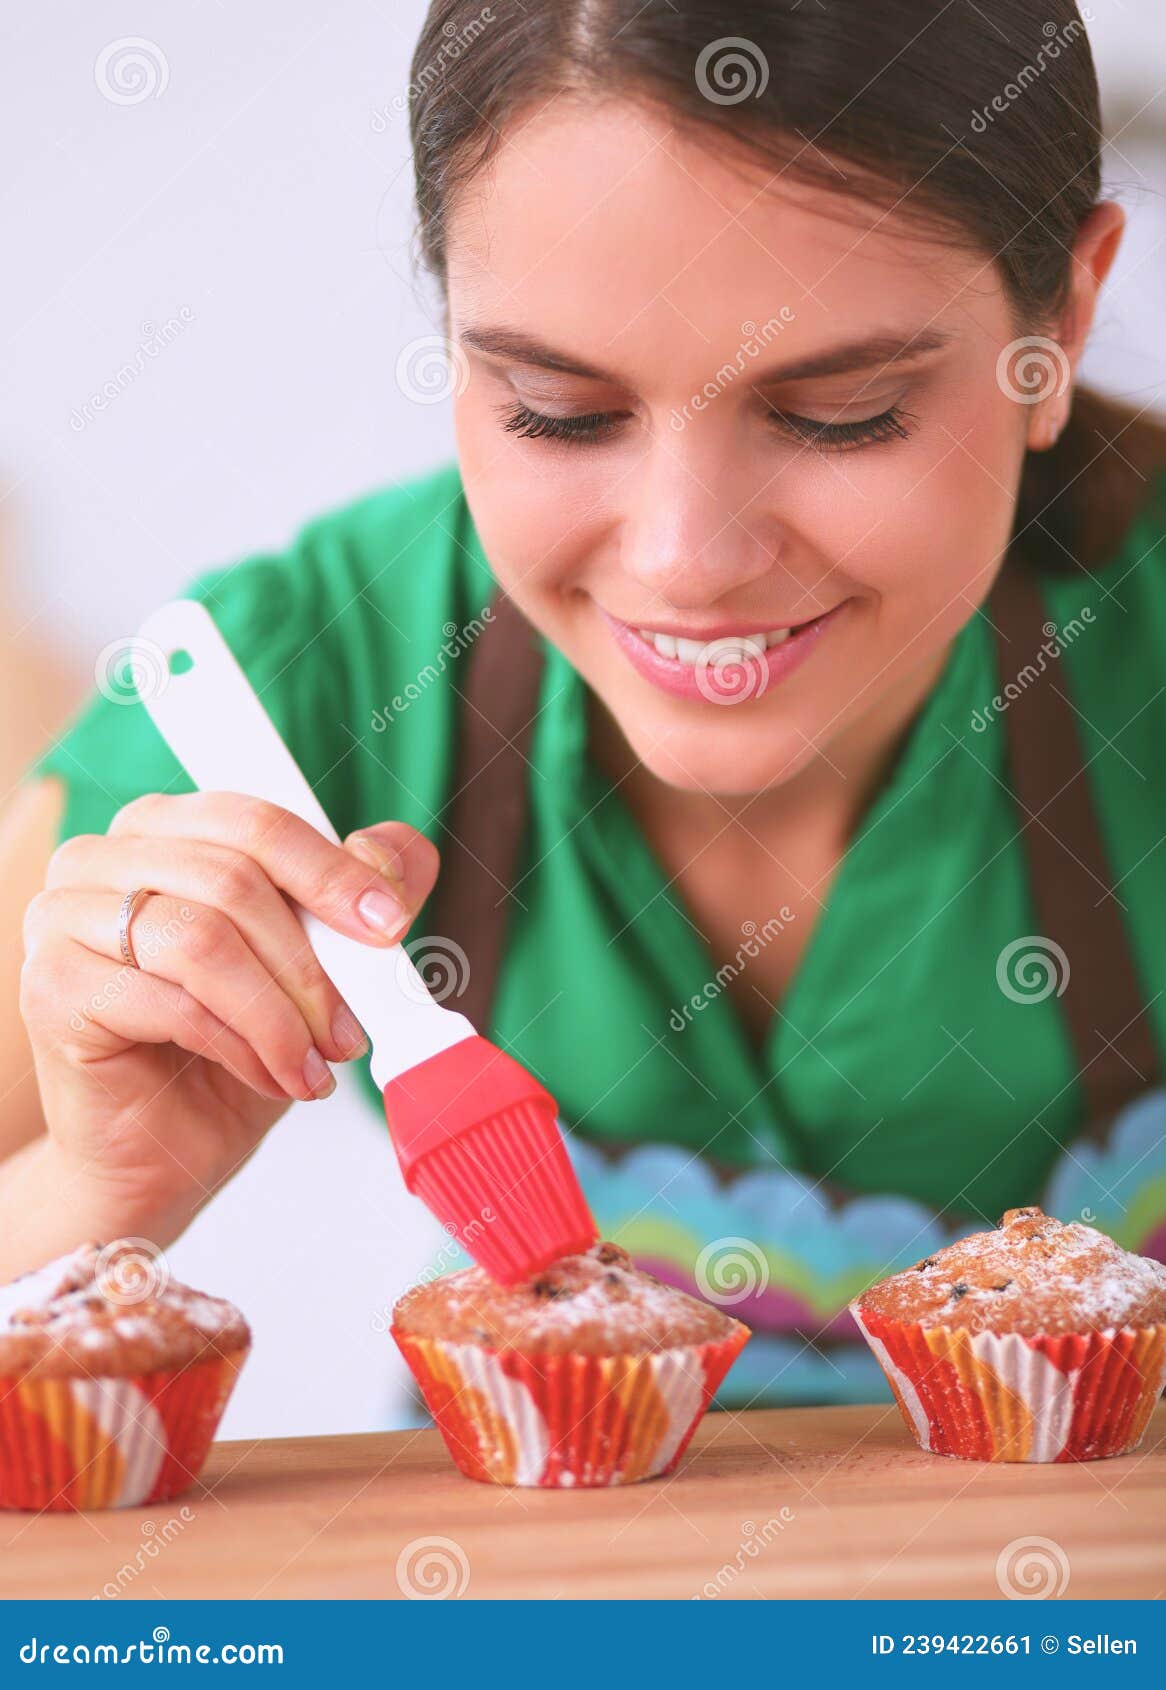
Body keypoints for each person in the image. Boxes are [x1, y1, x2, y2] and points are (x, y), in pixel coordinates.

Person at [2, 0, 1164, 1406]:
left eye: (841, 409)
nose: (685, 558)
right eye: (557, 408)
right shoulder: (299, 682)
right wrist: (92, 1182)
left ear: (1060, 320)